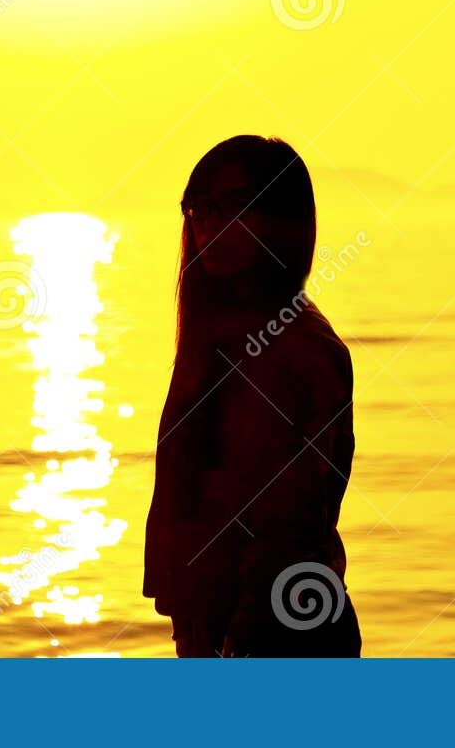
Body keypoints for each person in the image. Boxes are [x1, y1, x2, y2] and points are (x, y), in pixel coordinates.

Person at [142, 135, 360, 657]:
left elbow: (288, 524)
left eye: (235, 206)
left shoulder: (300, 349)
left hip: (280, 628)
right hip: (222, 625)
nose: (211, 225)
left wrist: (235, 643)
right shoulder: (215, 339)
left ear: (281, 218)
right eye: (200, 208)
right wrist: (186, 617)